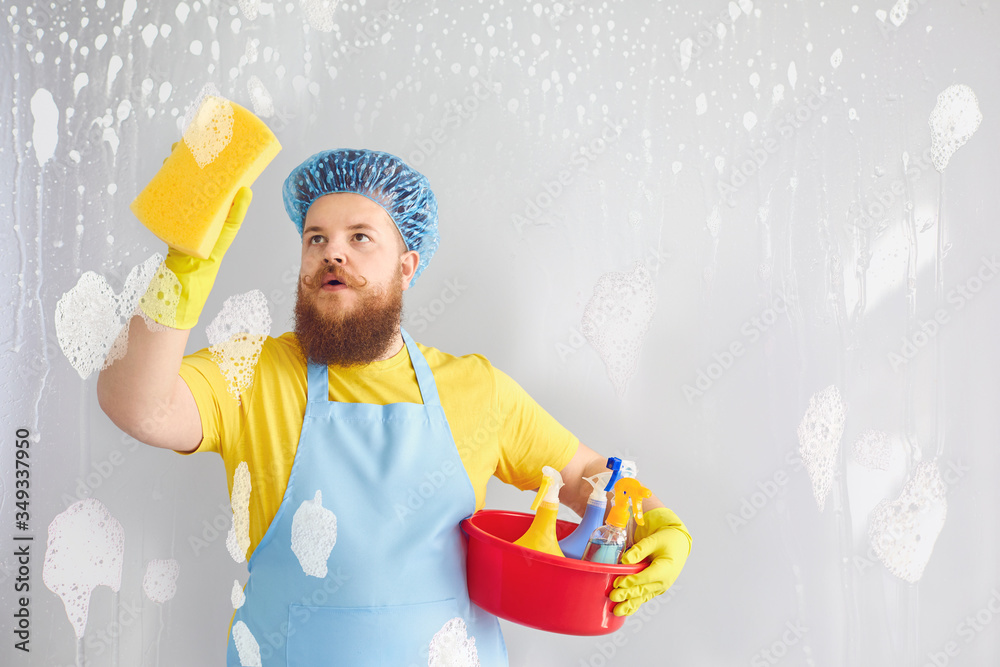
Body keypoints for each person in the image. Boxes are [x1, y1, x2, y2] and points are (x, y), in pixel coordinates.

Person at [97, 148, 691, 666]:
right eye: (316, 239)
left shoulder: (476, 389)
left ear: (406, 267)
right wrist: (185, 265)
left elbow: (592, 481)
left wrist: (659, 523)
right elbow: (140, 407)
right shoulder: (252, 374)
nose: (334, 254)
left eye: (360, 237)